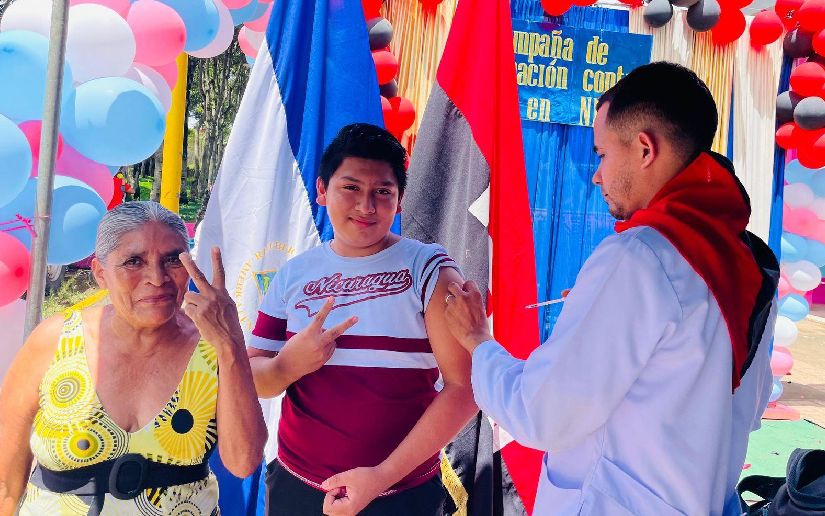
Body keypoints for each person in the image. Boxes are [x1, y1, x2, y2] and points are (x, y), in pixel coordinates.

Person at [442, 62, 779, 515]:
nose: (597, 175)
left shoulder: (640, 256)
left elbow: (541, 414)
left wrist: (478, 342)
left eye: (601, 154)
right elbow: (747, 407)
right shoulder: (751, 260)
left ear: (644, 149)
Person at [247, 123, 477, 516]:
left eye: (382, 192)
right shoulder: (292, 275)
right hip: (297, 486)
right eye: (350, 187)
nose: (366, 206)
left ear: (400, 200)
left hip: (400, 495)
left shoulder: (430, 270)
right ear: (322, 190)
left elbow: (466, 388)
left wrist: (381, 476)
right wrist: (287, 365)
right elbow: (252, 377)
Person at [0, 201, 267, 515]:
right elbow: (6, 477)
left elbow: (243, 461)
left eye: (172, 260)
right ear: (101, 273)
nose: (157, 277)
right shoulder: (54, 340)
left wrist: (231, 342)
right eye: (134, 261)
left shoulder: (213, 347)